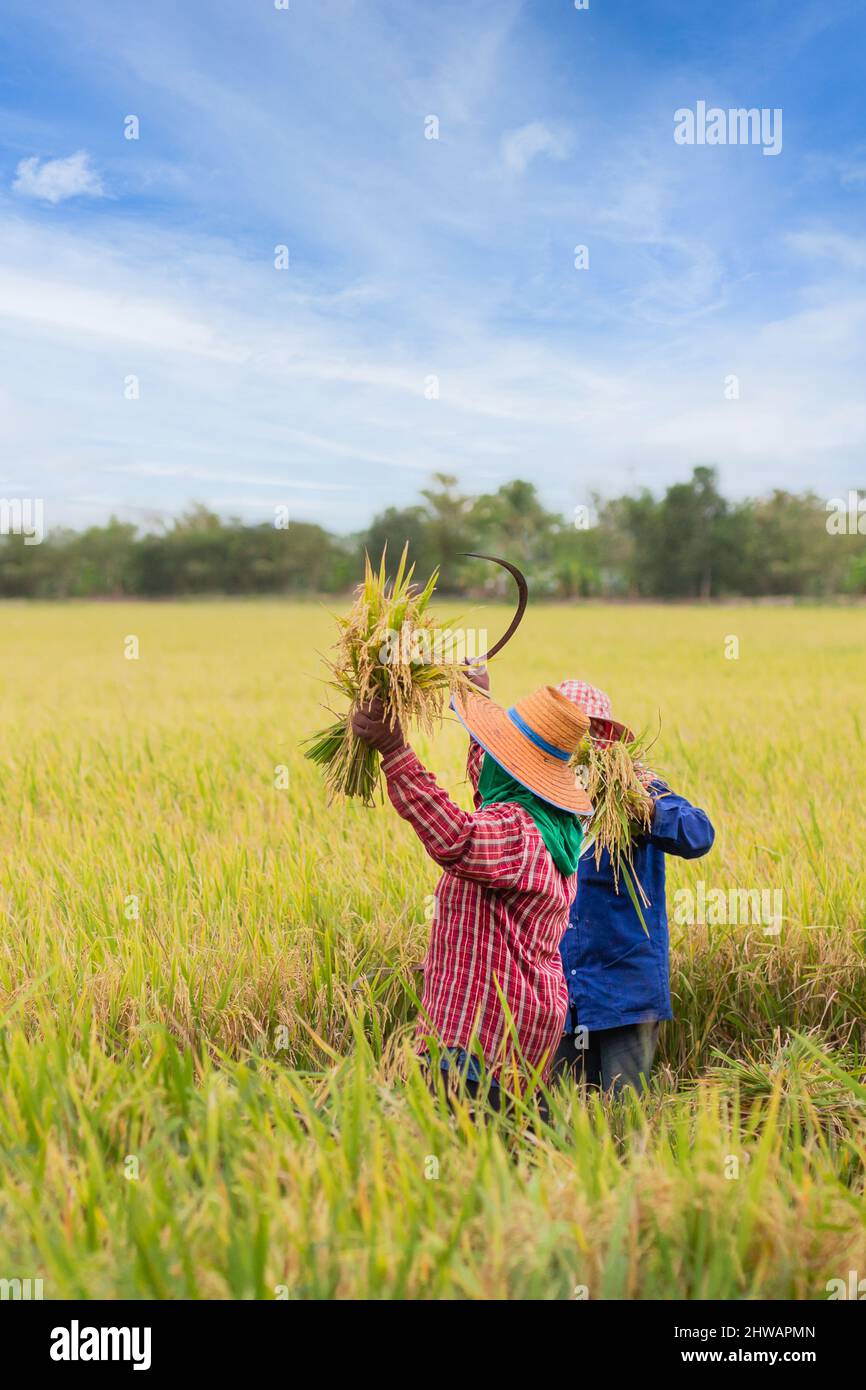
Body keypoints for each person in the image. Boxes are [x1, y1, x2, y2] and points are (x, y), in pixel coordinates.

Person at [351, 679, 591, 1104]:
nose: (491, 759)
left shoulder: (519, 833)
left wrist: (394, 751)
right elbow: (490, 779)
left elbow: (457, 839)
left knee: (460, 1155)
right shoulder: (555, 826)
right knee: (501, 1159)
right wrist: (475, 694)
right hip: (519, 1036)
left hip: (481, 1038)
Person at [552, 680, 715, 1094]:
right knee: (561, 1114)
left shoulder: (637, 788)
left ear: (605, 740)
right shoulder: (546, 798)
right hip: (560, 994)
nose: (578, 746)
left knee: (625, 1113)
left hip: (624, 991)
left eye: (587, 734)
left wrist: (645, 808)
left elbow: (698, 834)